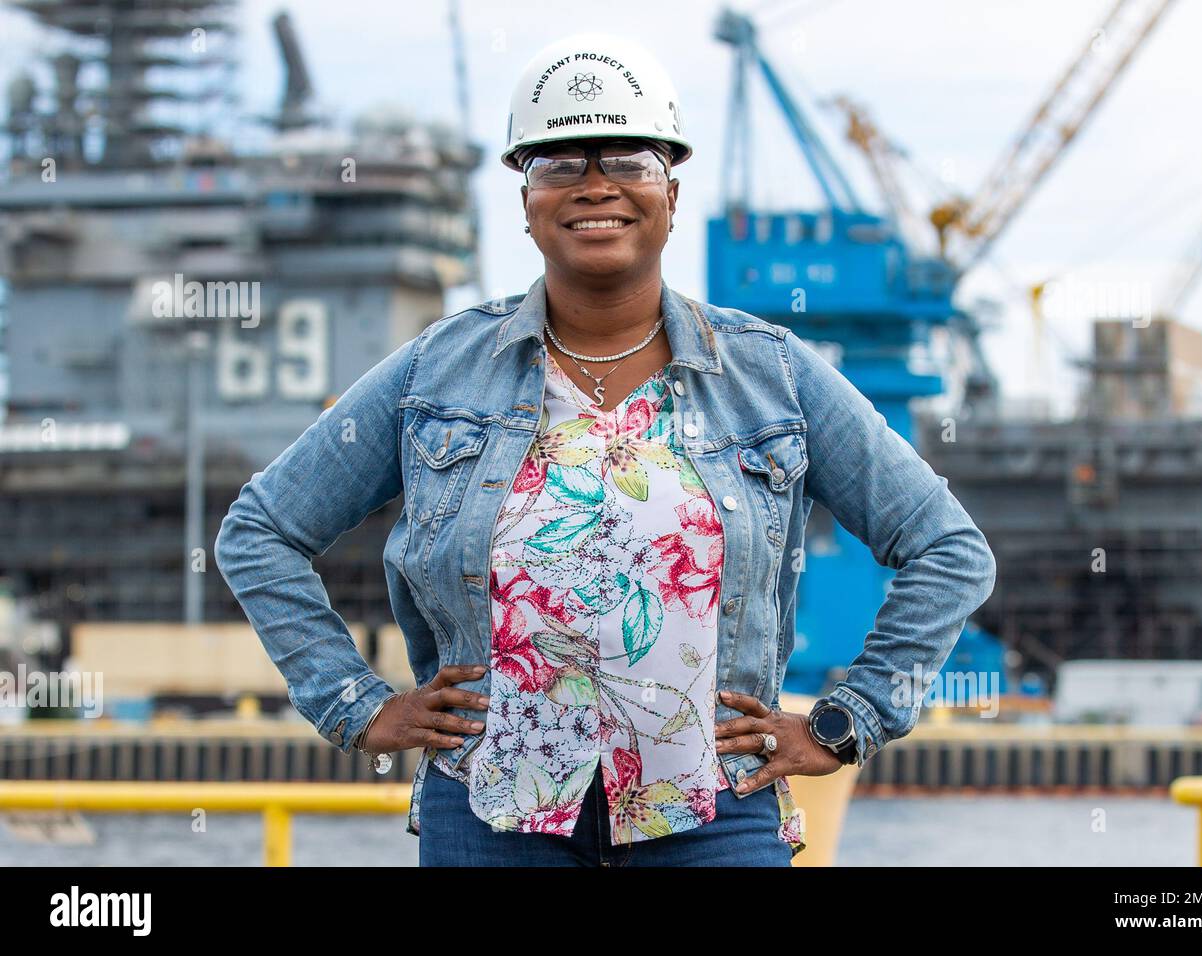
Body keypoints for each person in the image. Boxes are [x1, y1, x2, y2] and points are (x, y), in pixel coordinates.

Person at [215, 31, 997, 867]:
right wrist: (357, 707)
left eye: (627, 159)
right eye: (558, 164)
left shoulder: (772, 376)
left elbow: (949, 550)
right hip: (494, 812)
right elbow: (259, 530)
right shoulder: (435, 372)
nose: (595, 185)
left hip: (714, 815)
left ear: (671, 191)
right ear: (524, 200)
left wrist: (851, 721)